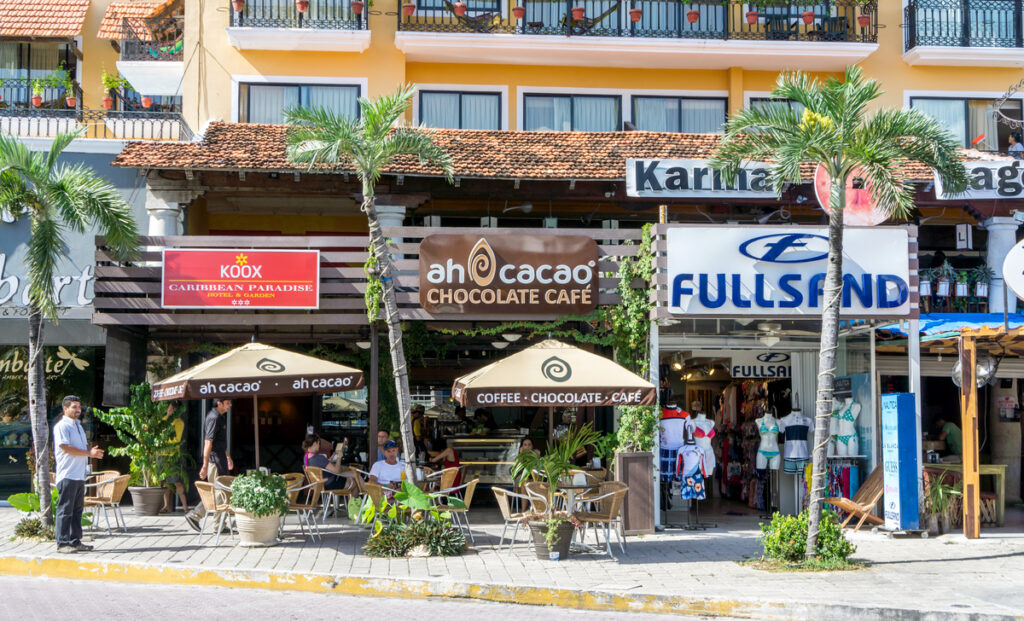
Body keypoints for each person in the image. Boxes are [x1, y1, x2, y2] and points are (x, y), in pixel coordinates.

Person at [53, 395, 104, 553]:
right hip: (67, 475)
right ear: (65, 409)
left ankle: (75, 541)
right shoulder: (62, 426)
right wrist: (89, 453)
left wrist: (91, 451)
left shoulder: (79, 426)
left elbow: (82, 447)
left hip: (79, 476)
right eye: (74, 407)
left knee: (76, 511)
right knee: (65, 510)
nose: (78, 410)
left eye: (79, 407)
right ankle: (62, 543)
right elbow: (66, 448)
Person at [185, 398, 233, 532]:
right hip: (215, 460)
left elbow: (219, 443)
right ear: (219, 403)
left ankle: (195, 516)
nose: (230, 405)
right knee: (220, 492)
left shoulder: (219, 417)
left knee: (218, 491)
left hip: (220, 459)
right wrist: (205, 465)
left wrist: (228, 457)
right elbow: (208, 442)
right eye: (227, 402)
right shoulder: (214, 418)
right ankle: (218, 526)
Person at [160, 402, 188, 514]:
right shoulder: (162, 420)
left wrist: (166, 446)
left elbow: (176, 439)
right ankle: (166, 506)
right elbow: (157, 435)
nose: (170, 410)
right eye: (169, 408)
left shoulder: (179, 422)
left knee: (177, 482)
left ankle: (185, 507)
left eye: (172, 409)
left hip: (172, 456)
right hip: (162, 455)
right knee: (164, 482)